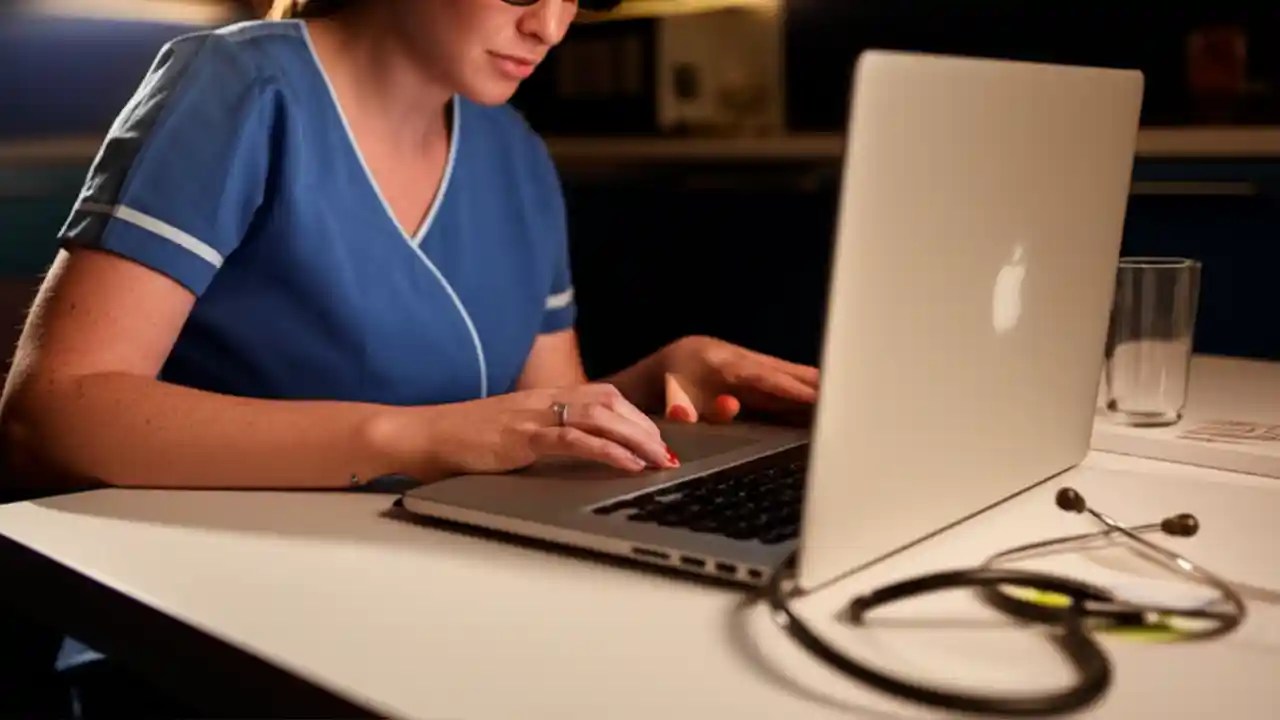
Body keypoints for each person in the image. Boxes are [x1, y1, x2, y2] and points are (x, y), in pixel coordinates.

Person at [0, 0, 819, 495]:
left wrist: (647, 388)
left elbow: (541, 421)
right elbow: (53, 415)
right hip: (202, 605)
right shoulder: (241, 88)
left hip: (422, 582)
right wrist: (421, 436)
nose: (551, 25)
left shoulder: (517, 155)